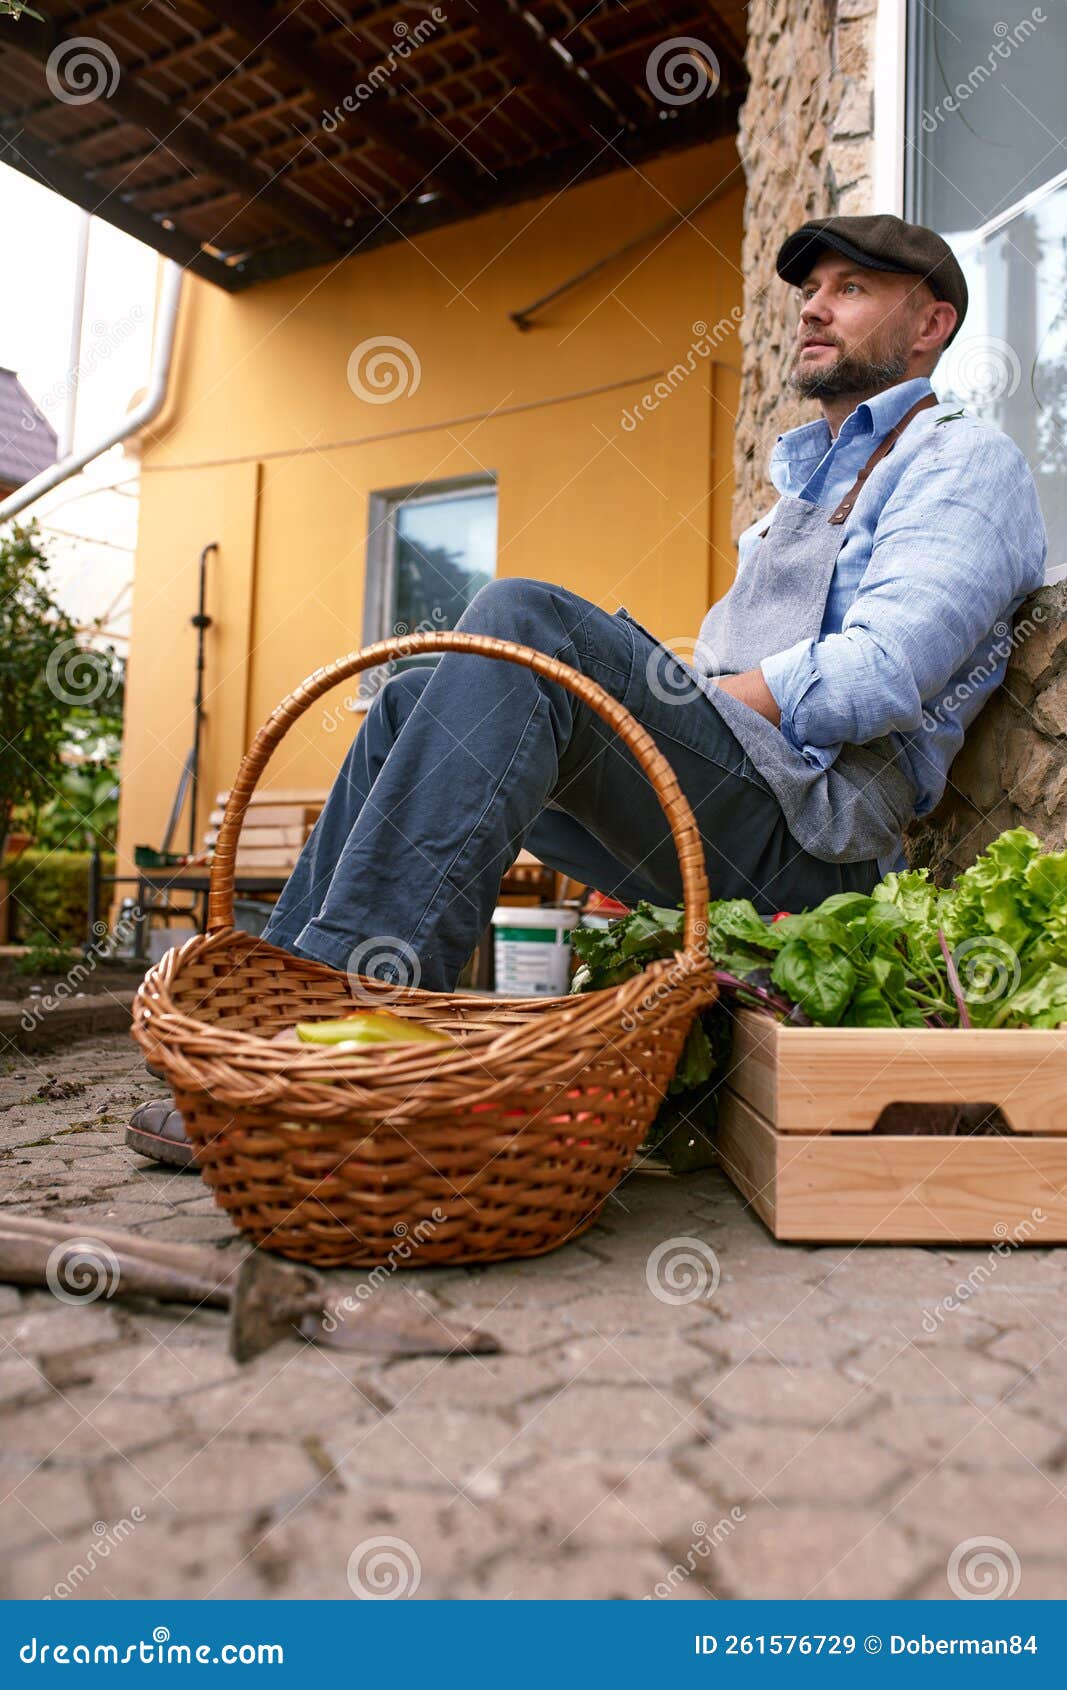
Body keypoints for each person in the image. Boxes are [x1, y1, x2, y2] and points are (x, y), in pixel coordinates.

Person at [127, 212, 1047, 1169]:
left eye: (849, 289)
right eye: (810, 290)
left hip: (816, 841)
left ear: (930, 324)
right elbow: (729, 688)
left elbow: (885, 669)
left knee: (522, 617)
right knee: (414, 695)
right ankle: (274, 1019)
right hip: (743, 801)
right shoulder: (796, 498)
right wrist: (671, 692)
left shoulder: (960, 462)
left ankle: (341, 1053)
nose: (813, 307)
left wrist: (694, 696)